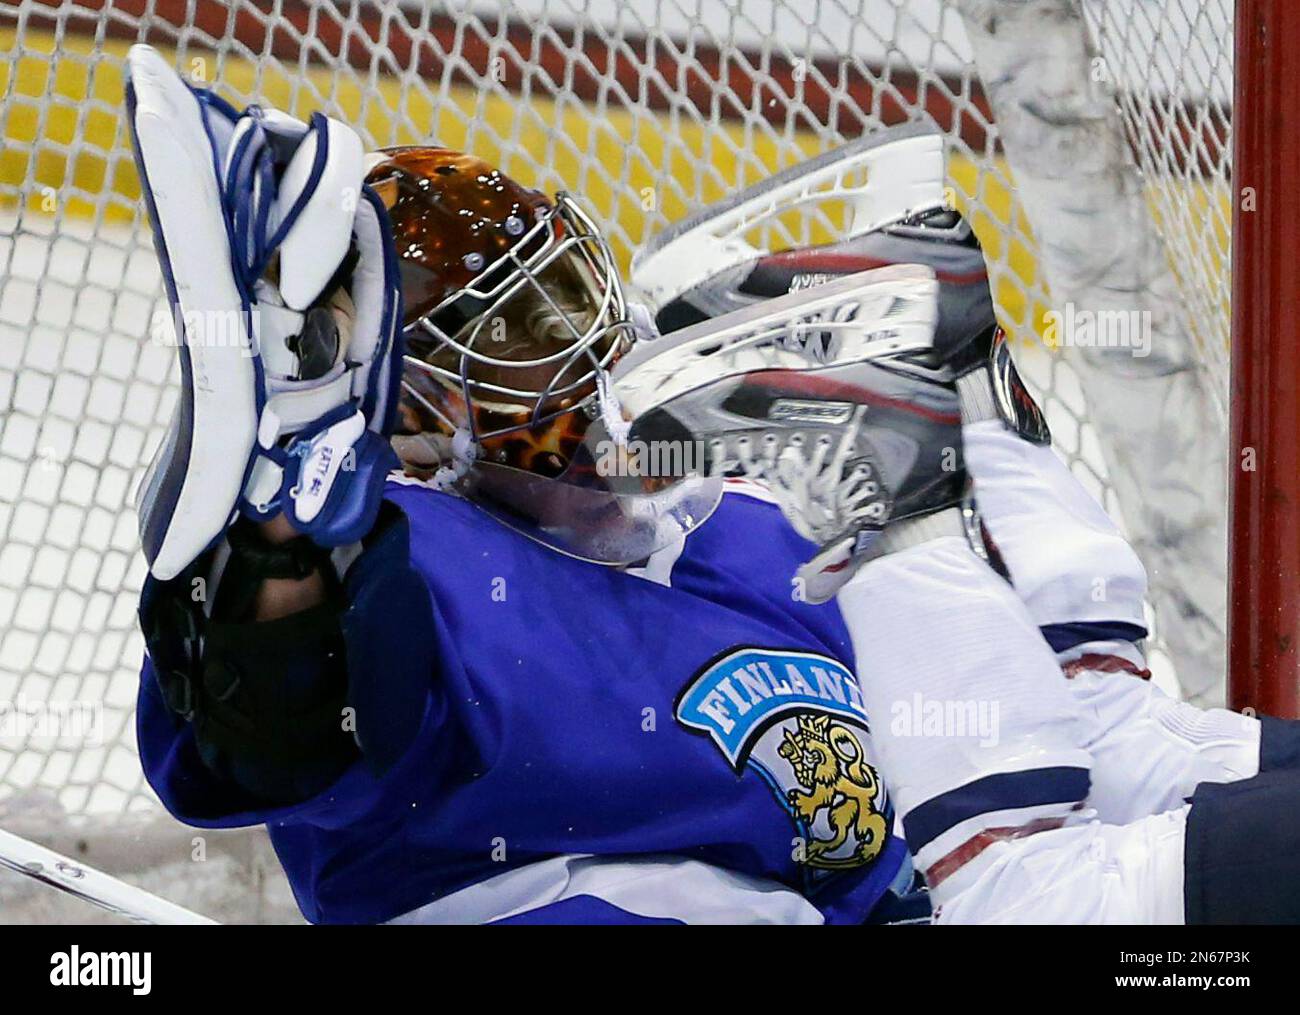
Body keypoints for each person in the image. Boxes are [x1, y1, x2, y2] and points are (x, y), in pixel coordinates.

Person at [127, 44, 1295, 925]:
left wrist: (974, 423)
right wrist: (275, 546)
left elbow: (1084, 765)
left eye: (569, 289)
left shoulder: (743, 510)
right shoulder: (415, 568)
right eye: (516, 328)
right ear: (413, 413)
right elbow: (277, 729)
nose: (587, 343)